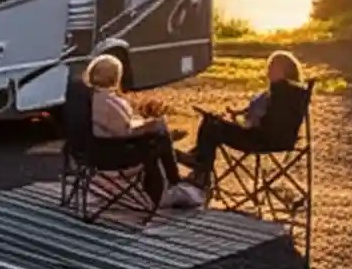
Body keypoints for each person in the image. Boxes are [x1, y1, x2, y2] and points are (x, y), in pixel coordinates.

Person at [177, 50, 310, 188]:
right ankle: (199, 164)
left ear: (283, 70)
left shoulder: (281, 91)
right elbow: (267, 116)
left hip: (261, 139)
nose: (268, 71)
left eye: (272, 67)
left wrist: (242, 120)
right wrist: (240, 116)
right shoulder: (293, 93)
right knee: (212, 122)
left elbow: (261, 119)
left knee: (212, 124)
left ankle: (200, 169)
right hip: (271, 138)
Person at [84, 54, 196, 208]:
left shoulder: (94, 98)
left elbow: (117, 126)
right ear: (115, 77)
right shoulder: (106, 103)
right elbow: (124, 131)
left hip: (102, 149)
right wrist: (149, 126)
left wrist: (145, 124)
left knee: (158, 134)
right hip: (115, 154)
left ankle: (173, 181)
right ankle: (172, 185)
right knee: (157, 139)